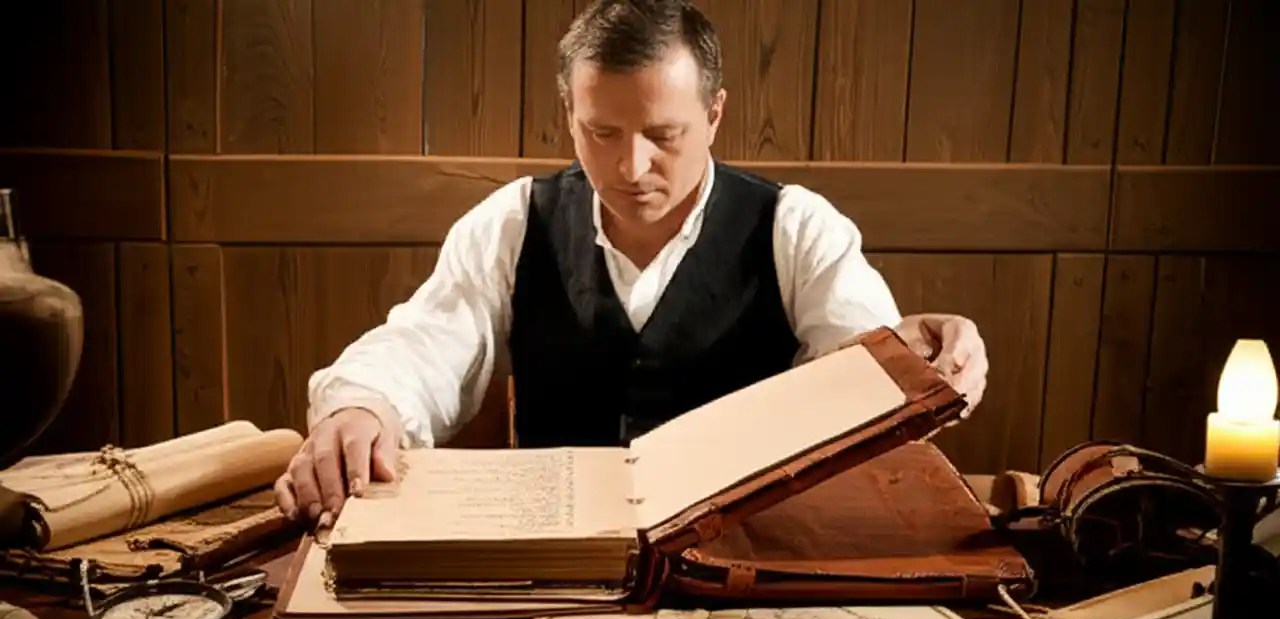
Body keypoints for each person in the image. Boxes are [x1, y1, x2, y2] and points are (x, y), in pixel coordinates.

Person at [274, 0, 989, 528]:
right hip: (554, 554)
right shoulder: (516, 219)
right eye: (601, 131)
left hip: (746, 554)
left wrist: (908, 361)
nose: (630, 166)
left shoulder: (796, 226)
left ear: (714, 114)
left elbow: (858, 375)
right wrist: (363, 402)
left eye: (663, 134)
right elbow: (426, 343)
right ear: (568, 111)